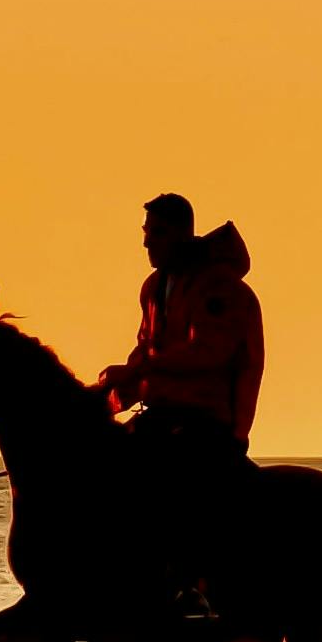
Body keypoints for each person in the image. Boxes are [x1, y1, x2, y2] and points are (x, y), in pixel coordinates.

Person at [100, 192, 262, 605]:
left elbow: (210, 351)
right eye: (145, 232)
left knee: (172, 480)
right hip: (162, 412)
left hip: (209, 419)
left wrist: (138, 371)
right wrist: (107, 394)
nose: (146, 242)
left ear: (180, 233)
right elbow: (146, 349)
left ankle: (192, 584)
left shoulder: (220, 287)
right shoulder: (154, 287)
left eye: (156, 233)